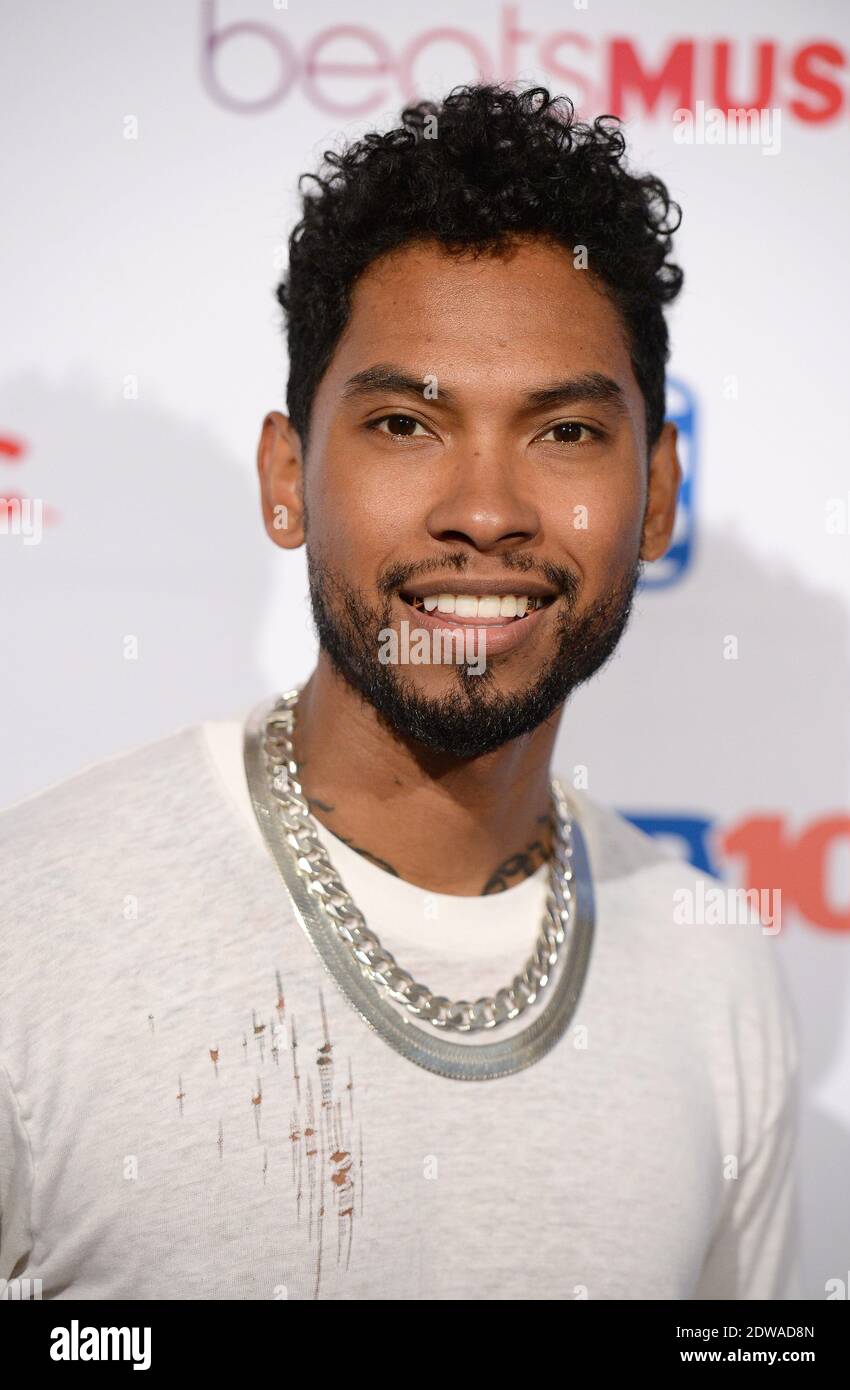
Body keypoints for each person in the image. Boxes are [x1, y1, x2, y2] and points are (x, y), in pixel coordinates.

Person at [0, 84, 799, 1300]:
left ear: (654, 495)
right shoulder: (35, 930)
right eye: (403, 423)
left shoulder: (716, 980)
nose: (483, 510)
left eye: (565, 433)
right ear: (286, 477)